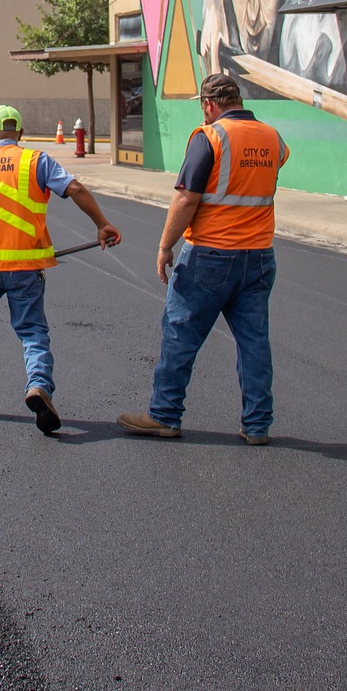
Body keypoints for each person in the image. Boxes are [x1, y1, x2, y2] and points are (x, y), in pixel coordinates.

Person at [119, 73, 288, 445]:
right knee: (254, 342)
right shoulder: (272, 138)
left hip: (210, 256)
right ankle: (257, 425)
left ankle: (164, 414)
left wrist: (165, 246)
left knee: (180, 334)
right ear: (239, 101)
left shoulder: (209, 137)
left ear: (209, 105)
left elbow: (186, 198)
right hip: (259, 257)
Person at [0, 105, 120, 435]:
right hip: (25, 266)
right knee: (31, 332)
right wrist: (102, 224)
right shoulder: (36, 161)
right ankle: (39, 385)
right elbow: (76, 189)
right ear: (21, 134)